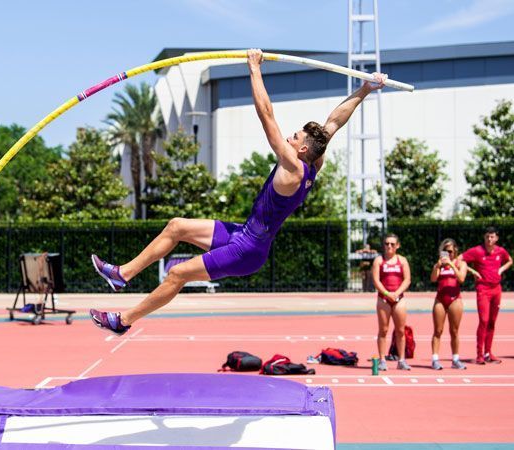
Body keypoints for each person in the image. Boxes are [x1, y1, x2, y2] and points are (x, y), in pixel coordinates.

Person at [88, 48, 387, 335]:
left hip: (247, 249)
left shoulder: (294, 168)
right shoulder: (314, 160)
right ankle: (121, 274)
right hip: (242, 234)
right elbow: (334, 121)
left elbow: (266, 115)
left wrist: (254, 67)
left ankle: (123, 320)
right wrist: (364, 90)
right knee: (176, 226)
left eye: (294, 137)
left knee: (177, 274)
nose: (289, 136)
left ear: (303, 148)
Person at [461, 226, 513, 364]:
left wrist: (501, 269)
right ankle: (479, 354)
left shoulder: (500, 251)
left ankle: (488, 353)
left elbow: (510, 261)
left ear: (496, 238)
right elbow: (459, 259)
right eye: (487, 237)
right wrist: (473, 271)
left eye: (492, 237)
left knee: (492, 322)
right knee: (483, 320)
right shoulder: (477, 251)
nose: (489, 239)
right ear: (484, 237)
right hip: (483, 290)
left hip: (496, 289)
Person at [371, 233, 412, 371]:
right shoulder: (378, 260)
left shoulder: (403, 260)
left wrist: (397, 293)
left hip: (399, 298)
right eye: (387, 243)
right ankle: (382, 360)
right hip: (383, 299)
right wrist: (387, 294)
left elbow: (407, 280)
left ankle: (401, 360)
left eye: (392, 244)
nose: (389, 246)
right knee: (383, 330)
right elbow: (376, 281)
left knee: (400, 330)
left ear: (397, 246)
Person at [429, 238, 468, 370]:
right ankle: (435, 359)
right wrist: (437, 266)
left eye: (450, 251)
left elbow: (461, 279)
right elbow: (433, 279)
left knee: (454, 331)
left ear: (455, 250)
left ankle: (455, 359)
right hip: (440, 299)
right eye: (445, 251)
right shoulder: (439, 264)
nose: (448, 254)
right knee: (438, 330)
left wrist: (451, 264)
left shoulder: (460, 263)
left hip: (455, 299)